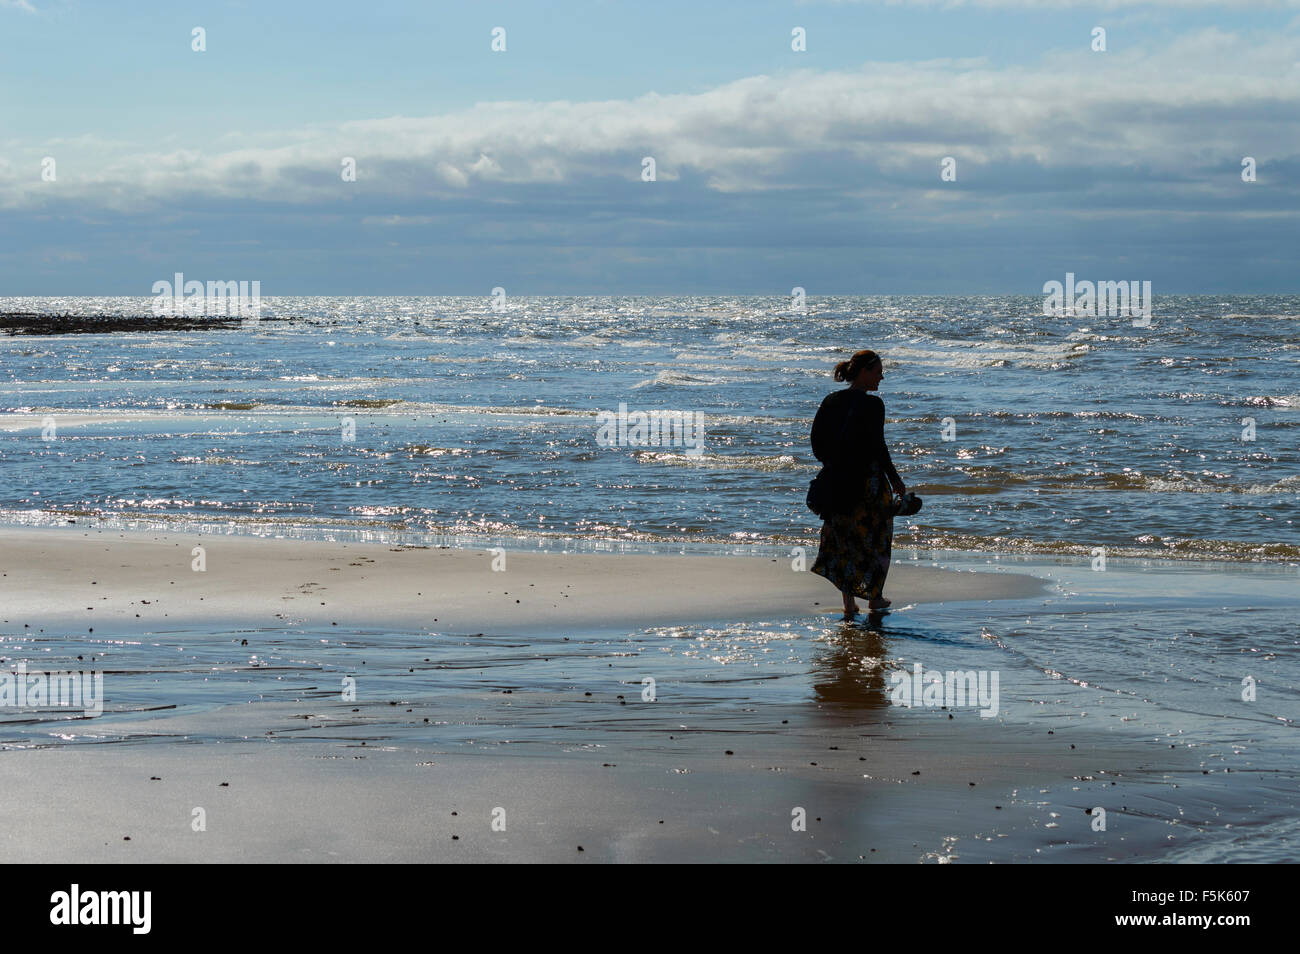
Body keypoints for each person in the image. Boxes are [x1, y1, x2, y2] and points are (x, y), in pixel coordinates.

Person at [810, 349, 905, 620]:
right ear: (864, 372)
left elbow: (816, 441)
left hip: (839, 482)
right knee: (876, 539)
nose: (882, 377)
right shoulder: (873, 405)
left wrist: (833, 464)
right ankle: (875, 599)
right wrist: (895, 478)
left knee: (843, 539)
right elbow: (878, 446)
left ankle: (849, 603)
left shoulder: (831, 400)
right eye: (878, 372)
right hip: (869, 484)